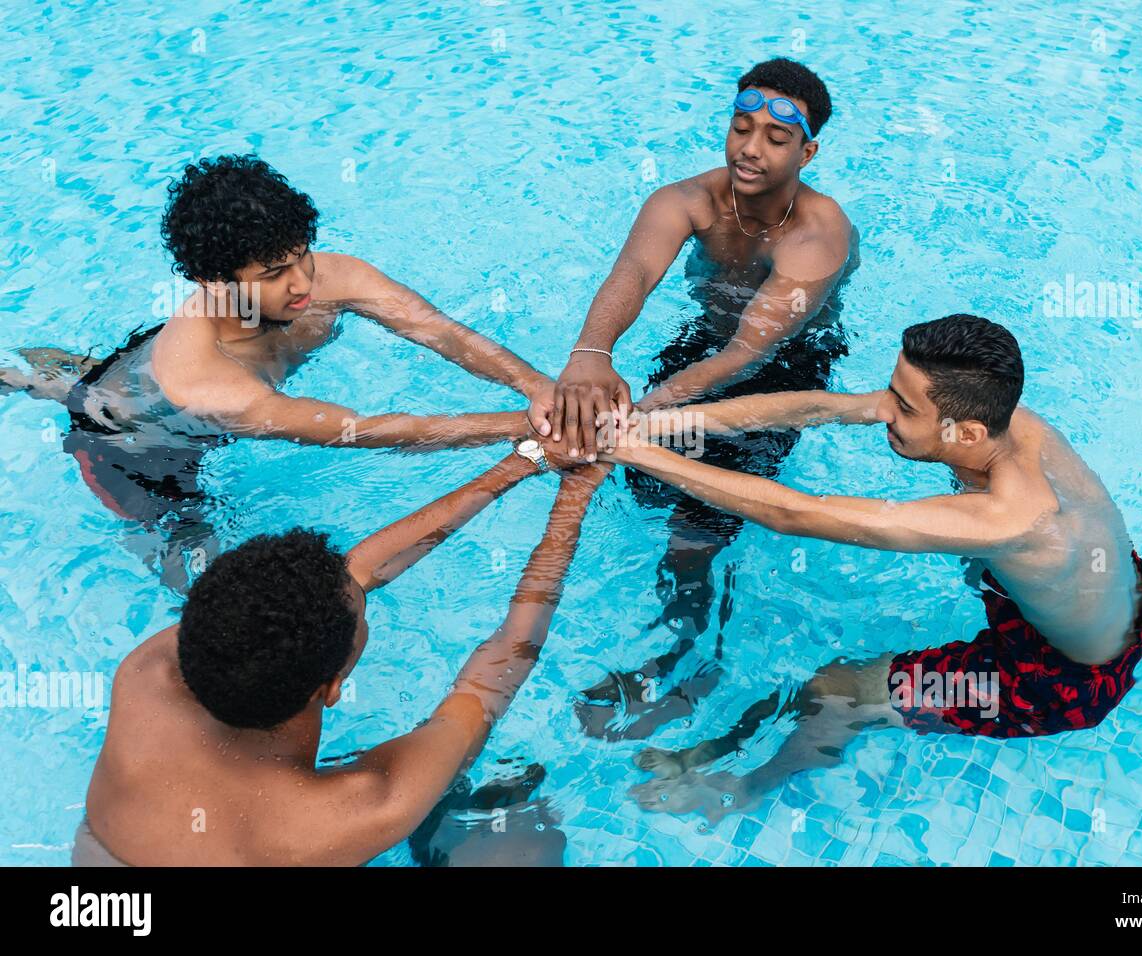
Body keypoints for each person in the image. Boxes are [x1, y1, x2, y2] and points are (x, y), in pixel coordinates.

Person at [595, 314, 1142, 822]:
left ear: (964, 431)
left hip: (1055, 679)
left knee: (832, 692)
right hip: (1131, 590)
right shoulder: (1010, 418)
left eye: (903, 408)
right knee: (1038, 576)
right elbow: (818, 407)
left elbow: (796, 514)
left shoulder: (1008, 519)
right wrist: (658, 424)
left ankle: (740, 789)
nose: (884, 411)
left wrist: (631, 453)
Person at [1, 155, 553, 589]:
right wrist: (524, 427)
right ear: (213, 281)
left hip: (151, 372)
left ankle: (53, 376)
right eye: (274, 274)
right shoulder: (212, 384)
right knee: (201, 583)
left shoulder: (322, 279)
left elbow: (441, 331)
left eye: (302, 255)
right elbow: (367, 431)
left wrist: (537, 388)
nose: (303, 285)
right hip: (137, 453)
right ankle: (53, 383)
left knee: (103, 380)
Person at [76, 439, 605, 865]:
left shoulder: (152, 672)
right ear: (331, 688)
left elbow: (353, 574)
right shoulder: (360, 809)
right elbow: (499, 667)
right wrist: (576, 495)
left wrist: (524, 461)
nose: (360, 586)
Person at [542, 59, 858, 739]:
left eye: (775, 140)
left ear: (808, 152)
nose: (750, 148)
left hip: (781, 371)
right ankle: (688, 613)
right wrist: (589, 357)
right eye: (740, 129)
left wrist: (645, 409)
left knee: (695, 532)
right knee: (647, 486)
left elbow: (750, 351)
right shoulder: (685, 201)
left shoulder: (819, 233)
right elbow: (632, 271)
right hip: (701, 349)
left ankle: (685, 664)